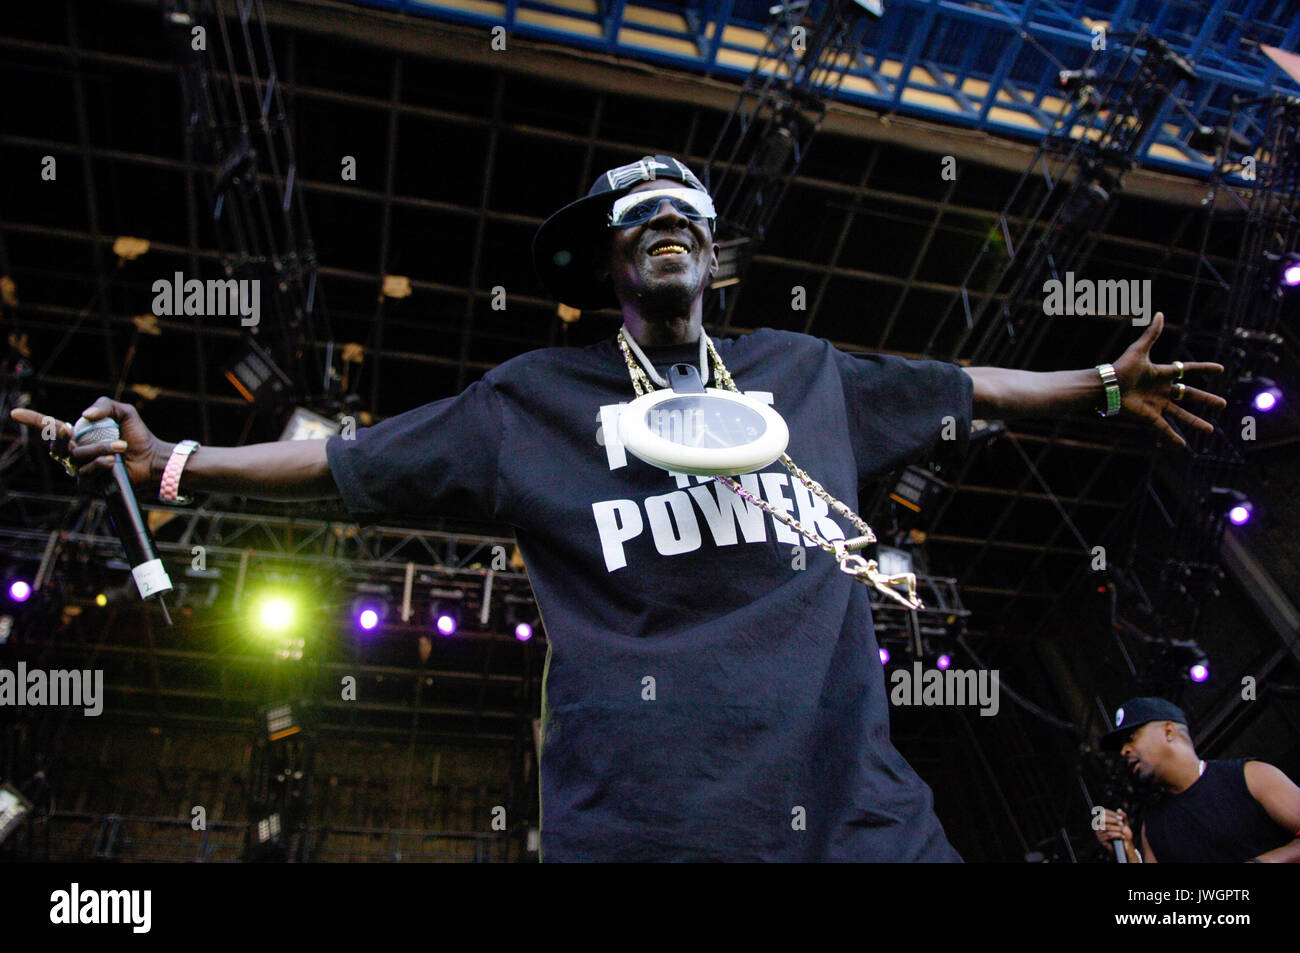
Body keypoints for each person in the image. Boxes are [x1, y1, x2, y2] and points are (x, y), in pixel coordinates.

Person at [14, 154, 1227, 861]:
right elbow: (345, 464)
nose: (664, 230)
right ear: (610, 264)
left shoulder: (804, 374)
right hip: (649, 823)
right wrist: (175, 455)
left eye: (684, 217)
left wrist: (1101, 391)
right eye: (635, 221)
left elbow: (967, 390)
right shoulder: (530, 399)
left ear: (713, 254)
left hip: (858, 816)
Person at [1093, 697, 1300, 862]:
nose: (1124, 751)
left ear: (1168, 731)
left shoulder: (1250, 776)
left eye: (1130, 738)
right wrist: (1128, 852)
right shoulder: (1154, 828)